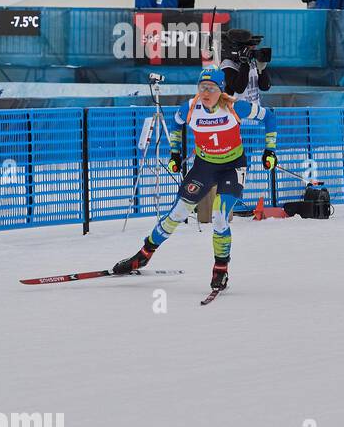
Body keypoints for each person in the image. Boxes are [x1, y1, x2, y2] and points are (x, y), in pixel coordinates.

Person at [112, 67, 278, 294]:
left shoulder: (235, 107)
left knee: (220, 217)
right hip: (204, 167)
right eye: (202, 88)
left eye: (211, 88)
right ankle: (143, 255)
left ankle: (221, 268)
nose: (206, 93)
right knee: (177, 214)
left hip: (232, 167)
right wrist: (175, 154)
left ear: (221, 90)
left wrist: (270, 151)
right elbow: (175, 123)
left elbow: (269, 117)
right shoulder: (190, 108)